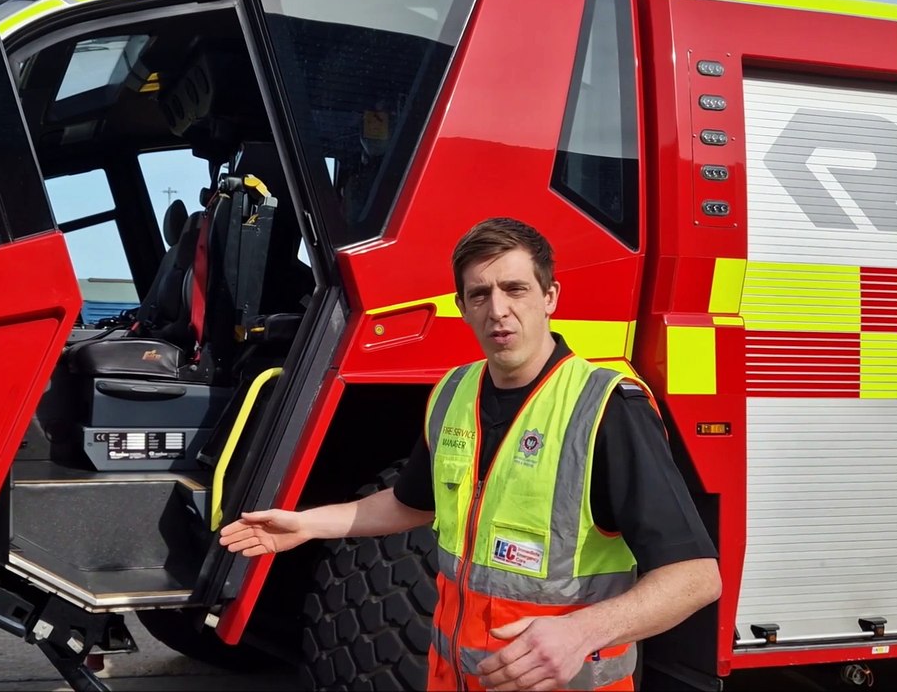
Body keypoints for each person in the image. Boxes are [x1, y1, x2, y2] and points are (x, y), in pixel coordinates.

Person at [219, 218, 721, 691]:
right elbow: (412, 503)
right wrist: (308, 524)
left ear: (549, 298)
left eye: (515, 289)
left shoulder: (606, 408)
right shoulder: (454, 393)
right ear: (462, 307)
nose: (497, 309)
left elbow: (696, 578)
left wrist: (584, 632)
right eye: (479, 294)